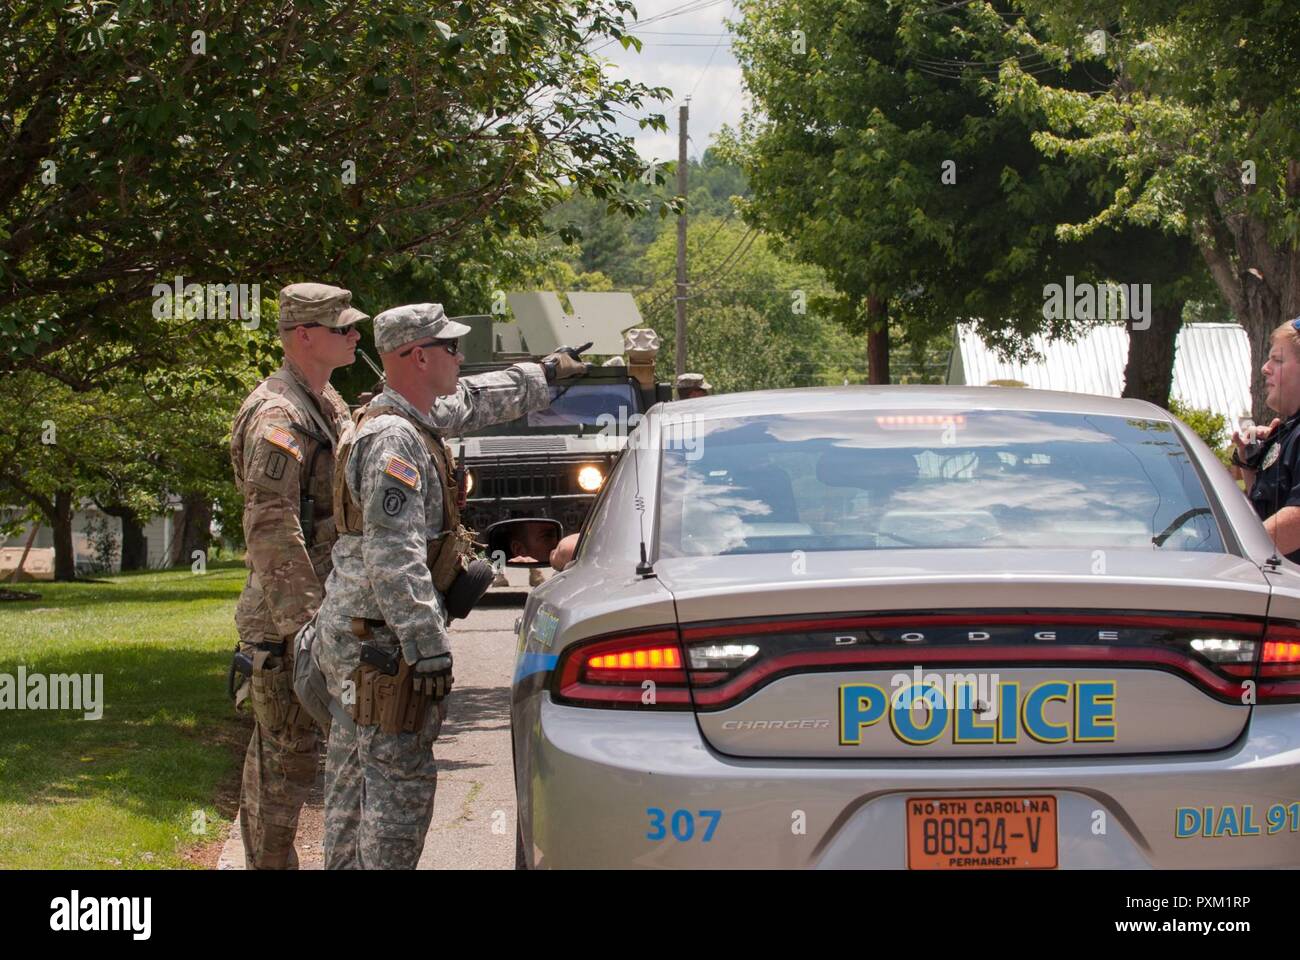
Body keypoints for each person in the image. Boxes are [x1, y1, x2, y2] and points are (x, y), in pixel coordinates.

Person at [315, 302, 589, 869]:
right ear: (418, 357)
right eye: (451, 348)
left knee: (352, 789)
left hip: (360, 639)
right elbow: (395, 555)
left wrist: (546, 374)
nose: (461, 358)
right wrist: (427, 645)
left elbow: (480, 397)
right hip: (382, 649)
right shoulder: (395, 440)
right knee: (397, 793)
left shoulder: (415, 416)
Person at [228, 282, 369, 869]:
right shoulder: (278, 416)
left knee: (303, 757)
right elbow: (269, 523)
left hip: (320, 611)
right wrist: (306, 629)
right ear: (304, 336)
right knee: (286, 763)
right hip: (287, 624)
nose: (356, 336)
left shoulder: (326, 403)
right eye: (343, 328)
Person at [1233, 318, 1300, 561]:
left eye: (1278, 360)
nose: (1265, 368)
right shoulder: (1289, 432)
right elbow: (1269, 510)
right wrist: (1250, 464)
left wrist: (1235, 551)